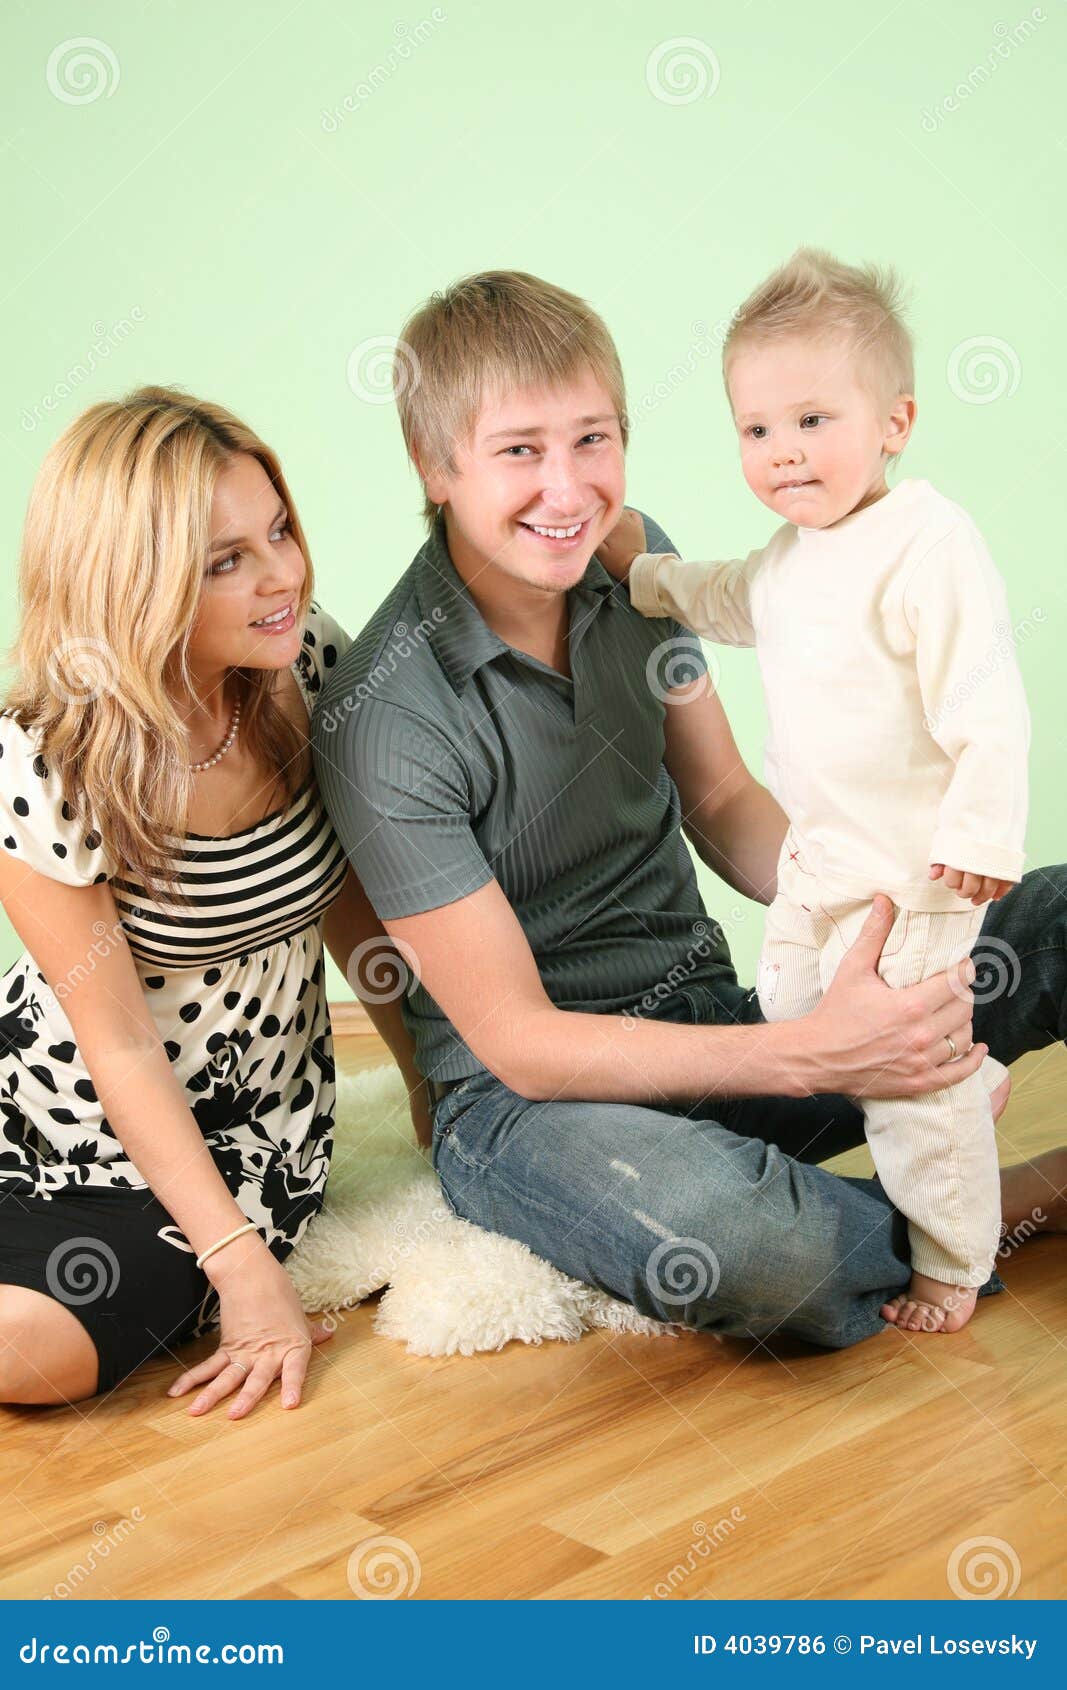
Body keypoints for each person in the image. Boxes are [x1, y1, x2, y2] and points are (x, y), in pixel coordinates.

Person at [310, 270, 1067, 1355]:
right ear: (436, 466)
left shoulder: (633, 564)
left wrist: (881, 940)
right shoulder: (385, 715)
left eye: (594, 439)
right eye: (520, 450)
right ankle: (1009, 1199)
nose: (567, 490)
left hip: (716, 1019)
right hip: (540, 1111)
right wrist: (822, 1056)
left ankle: (902, 1147)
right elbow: (521, 1045)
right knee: (755, 1246)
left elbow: (717, 800)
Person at [595, 247, 1030, 1335]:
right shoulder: (791, 557)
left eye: (812, 421)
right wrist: (644, 574)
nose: (782, 454)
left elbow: (986, 704)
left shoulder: (924, 544)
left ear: (893, 421)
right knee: (792, 1011)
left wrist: (978, 831)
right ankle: (965, 1092)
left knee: (898, 1074)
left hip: (919, 872)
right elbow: (726, 594)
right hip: (820, 861)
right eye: (755, 431)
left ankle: (952, 1260)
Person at [0, 386, 423, 1416]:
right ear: (132, 582)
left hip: (243, 1132)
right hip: (59, 1113)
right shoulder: (43, 753)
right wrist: (241, 1270)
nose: (282, 573)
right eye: (224, 560)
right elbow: (119, 1044)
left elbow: (351, 904)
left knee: (37, 1357)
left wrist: (430, 1086)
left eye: (276, 529)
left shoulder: (303, 660)